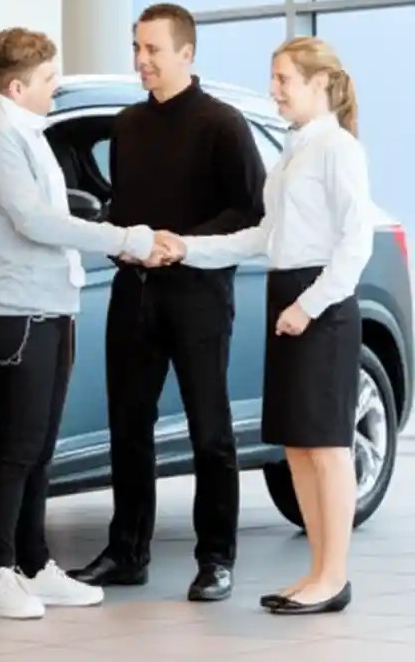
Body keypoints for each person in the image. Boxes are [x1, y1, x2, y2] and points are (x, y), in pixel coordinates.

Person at [154, 35, 370, 615]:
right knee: (297, 444)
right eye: (273, 79)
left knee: (326, 446)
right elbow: (262, 237)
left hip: (318, 302)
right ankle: (317, 574)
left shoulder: (338, 149)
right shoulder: (293, 150)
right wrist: (190, 248)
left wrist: (310, 305)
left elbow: (356, 242)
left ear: (319, 84)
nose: (273, 91)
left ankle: (334, 575)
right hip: (288, 293)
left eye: (284, 81)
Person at [0, 26, 173, 620]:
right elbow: (37, 222)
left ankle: (32, 565)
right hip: (19, 312)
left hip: (52, 305)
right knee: (19, 447)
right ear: (17, 84)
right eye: (49, 80)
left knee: (42, 448)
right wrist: (127, 239)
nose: (55, 89)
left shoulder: (27, 131)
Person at [67, 3, 267, 602]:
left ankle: (216, 558)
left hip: (200, 296)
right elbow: (123, 206)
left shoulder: (223, 124)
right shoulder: (126, 126)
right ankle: (127, 551)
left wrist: (189, 246)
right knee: (128, 428)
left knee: (210, 431)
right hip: (134, 294)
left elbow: (250, 211)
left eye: (152, 49)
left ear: (186, 53)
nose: (141, 60)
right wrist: (119, 242)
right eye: (136, 47)